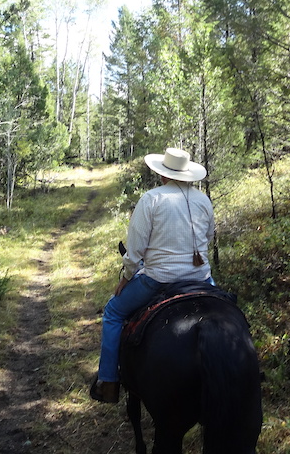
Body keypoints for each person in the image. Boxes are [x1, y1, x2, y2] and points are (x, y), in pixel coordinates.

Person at [90, 147, 216, 403]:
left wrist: (125, 278)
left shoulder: (152, 199)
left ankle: (109, 382)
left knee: (113, 313)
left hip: (158, 279)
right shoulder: (203, 200)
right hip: (201, 279)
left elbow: (135, 250)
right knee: (228, 308)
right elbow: (209, 237)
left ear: (162, 175)